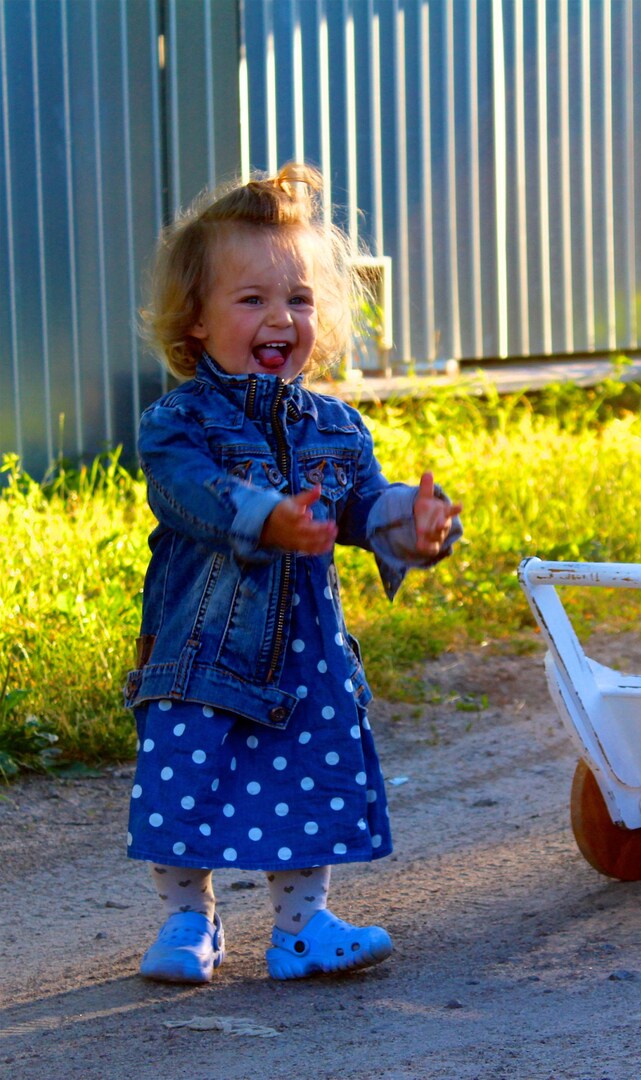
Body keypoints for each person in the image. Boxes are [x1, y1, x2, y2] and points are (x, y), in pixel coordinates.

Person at [124, 162, 462, 984]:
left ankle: (301, 926)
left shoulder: (336, 429)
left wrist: (410, 529)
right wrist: (265, 518)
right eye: (252, 300)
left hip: (306, 656)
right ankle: (186, 919)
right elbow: (191, 497)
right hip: (203, 647)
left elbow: (362, 505)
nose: (281, 318)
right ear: (195, 321)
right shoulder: (176, 423)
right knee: (188, 776)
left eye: (300, 300)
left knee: (308, 777)